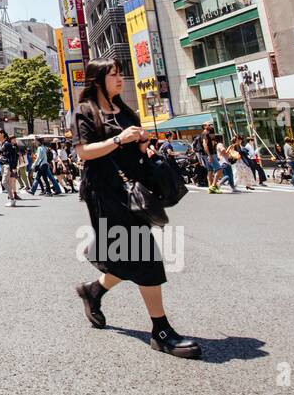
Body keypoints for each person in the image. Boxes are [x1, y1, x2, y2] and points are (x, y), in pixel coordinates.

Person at [71, 59, 201, 359]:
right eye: (113, 74)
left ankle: (94, 291)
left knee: (127, 257)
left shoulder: (124, 109)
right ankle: (161, 331)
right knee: (144, 256)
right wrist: (119, 139)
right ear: (98, 79)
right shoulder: (85, 111)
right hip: (106, 194)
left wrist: (142, 144)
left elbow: (133, 149)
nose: (120, 79)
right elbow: (83, 151)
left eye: (120, 74)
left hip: (133, 191)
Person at [0, 129, 22, 206]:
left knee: (4, 182)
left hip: (7, 165)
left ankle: (12, 199)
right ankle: (11, 198)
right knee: (8, 182)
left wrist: (13, 167)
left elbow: (14, 156)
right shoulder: (2, 143)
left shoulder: (7, 144)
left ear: (2, 134)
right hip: (2, 165)